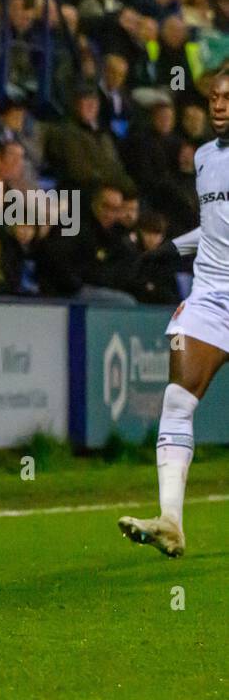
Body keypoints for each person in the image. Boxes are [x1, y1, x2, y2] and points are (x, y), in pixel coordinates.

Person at [119, 69, 229, 557]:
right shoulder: (205, 158)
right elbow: (213, 229)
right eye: (214, 98)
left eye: (228, 98)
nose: (219, 106)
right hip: (210, 295)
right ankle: (170, 520)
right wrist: (171, 250)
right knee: (178, 401)